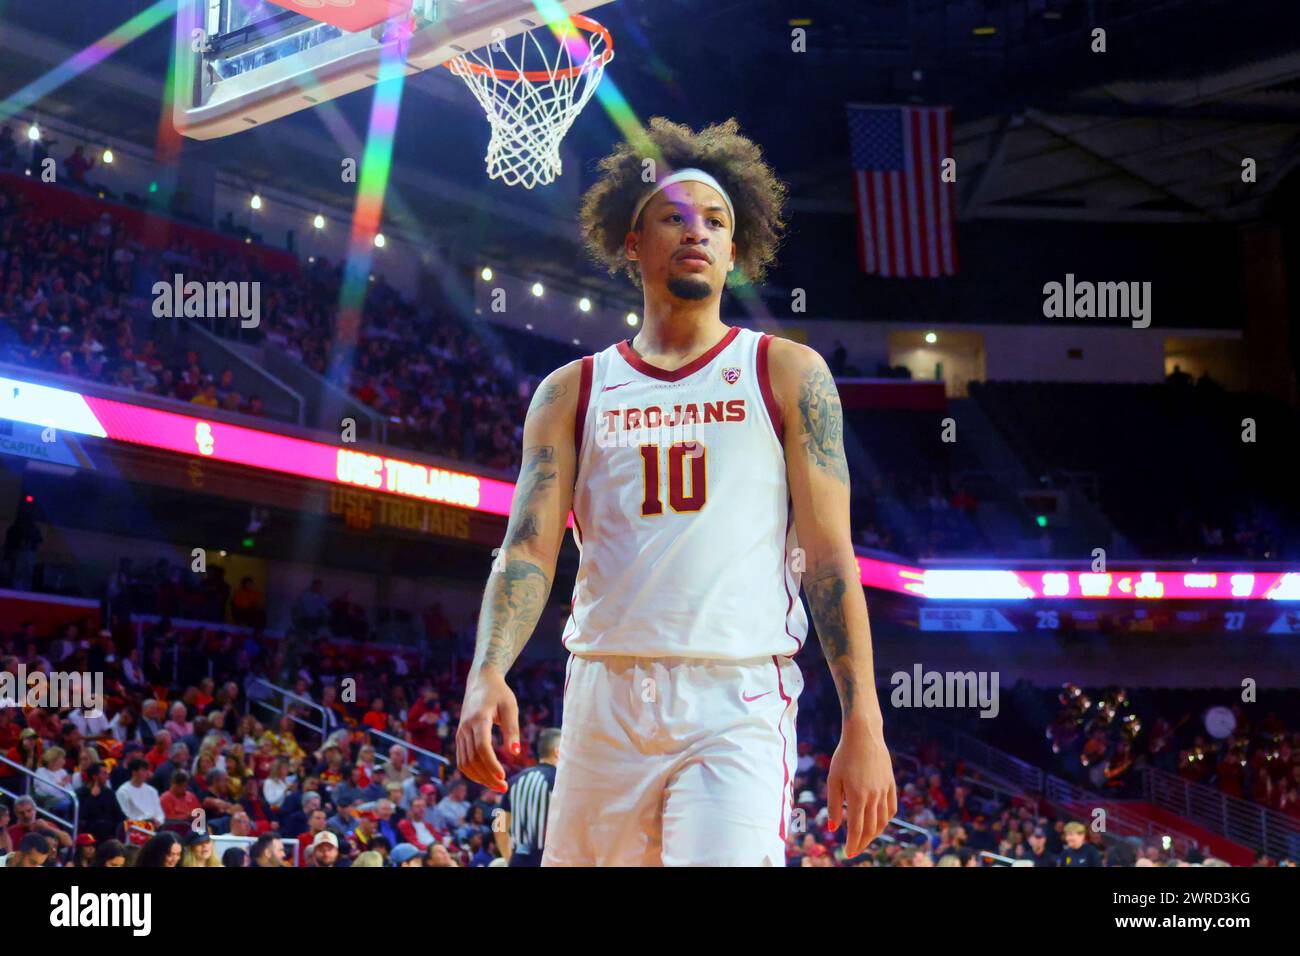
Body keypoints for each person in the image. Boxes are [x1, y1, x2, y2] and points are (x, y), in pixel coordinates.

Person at [455, 117, 895, 866]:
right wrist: (486, 669)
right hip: (602, 694)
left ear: (734, 249)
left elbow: (829, 560)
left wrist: (866, 723)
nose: (697, 232)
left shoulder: (786, 373)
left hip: (736, 698)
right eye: (673, 217)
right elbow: (526, 549)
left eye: (715, 222)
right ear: (633, 242)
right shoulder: (573, 390)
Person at [496, 727, 559, 866]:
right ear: (558, 751)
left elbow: (499, 826)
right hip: (548, 860)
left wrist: (509, 859)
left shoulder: (514, 781)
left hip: (518, 859)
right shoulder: (559, 781)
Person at [116, 757, 165, 826]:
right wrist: (145, 822)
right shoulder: (123, 792)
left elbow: (159, 812)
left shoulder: (152, 790)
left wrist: (158, 821)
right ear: (134, 772)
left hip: (156, 826)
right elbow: (126, 815)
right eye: (143, 770)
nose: (147, 773)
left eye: (147, 770)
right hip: (137, 827)